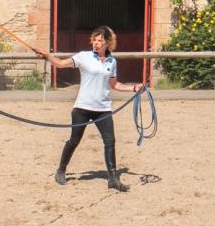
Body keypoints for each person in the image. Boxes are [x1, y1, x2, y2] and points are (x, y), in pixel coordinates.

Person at [38, 25, 145, 192]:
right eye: (94, 40)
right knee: (74, 141)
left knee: (110, 142)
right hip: (82, 107)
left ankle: (112, 178)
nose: (96, 43)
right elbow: (60, 64)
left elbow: (114, 84)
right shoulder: (84, 57)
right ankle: (61, 170)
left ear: (108, 43)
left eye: (100, 41)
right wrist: (47, 56)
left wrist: (134, 88)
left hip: (103, 108)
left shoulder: (112, 62)